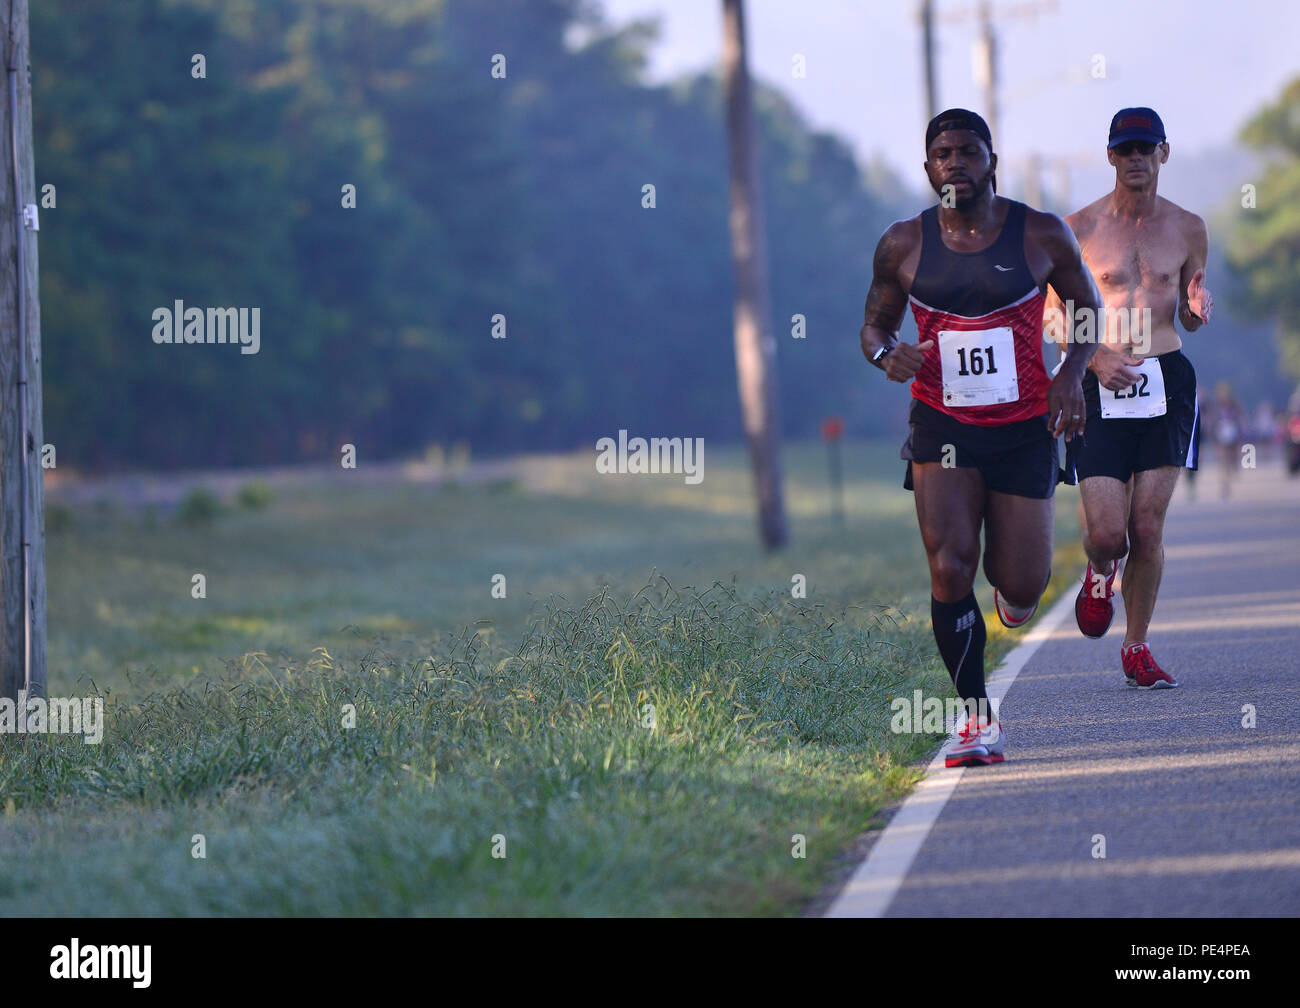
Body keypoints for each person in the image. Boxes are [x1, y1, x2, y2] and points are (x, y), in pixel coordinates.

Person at [859, 108, 1102, 767]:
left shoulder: (1040, 235)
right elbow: (875, 328)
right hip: (941, 423)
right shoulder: (903, 245)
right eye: (942, 153)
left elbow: (1086, 311)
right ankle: (975, 718)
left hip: (1024, 424)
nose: (955, 162)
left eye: (968, 150)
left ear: (992, 159)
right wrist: (888, 358)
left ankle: (1014, 594)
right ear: (928, 168)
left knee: (1021, 584)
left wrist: (1072, 374)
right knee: (948, 564)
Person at [1053, 108, 1211, 689]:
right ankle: (1100, 571)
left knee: (1147, 529)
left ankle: (1136, 645)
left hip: (1167, 380)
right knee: (1106, 534)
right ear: (1111, 156)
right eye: (1126, 150)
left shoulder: (1190, 228)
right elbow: (1051, 313)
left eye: (1147, 148)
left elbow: (1191, 315)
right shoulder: (1078, 228)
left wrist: (1196, 310)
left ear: (1164, 154)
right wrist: (1092, 356)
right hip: (1097, 381)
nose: (1137, 159)